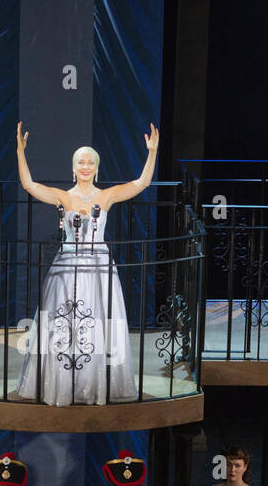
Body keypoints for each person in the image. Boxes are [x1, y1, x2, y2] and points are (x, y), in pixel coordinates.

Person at [14, 121, 159, 405]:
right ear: (73, 167)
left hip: (98, 266)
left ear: (96, 168)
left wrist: (152, 152)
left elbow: (141, 183)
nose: (85, 166)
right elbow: (29, 184)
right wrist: (20, 151)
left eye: (90, 162)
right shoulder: (63, 197)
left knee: (98, 324)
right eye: (80, 161)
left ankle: (94, 383)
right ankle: (63, 382)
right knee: (63, 324)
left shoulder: (105, 196)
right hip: (67, 265)